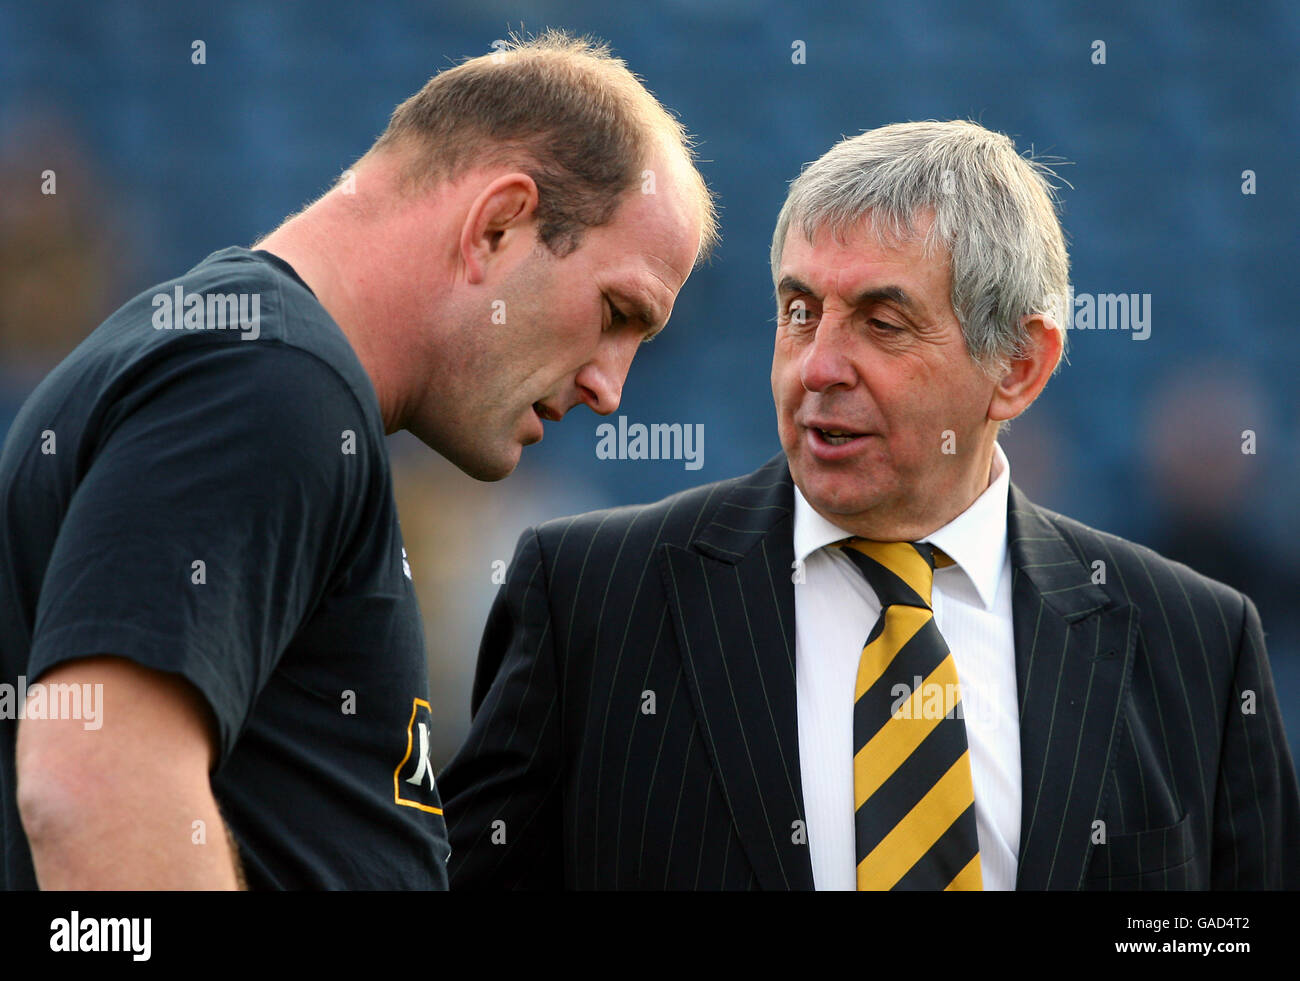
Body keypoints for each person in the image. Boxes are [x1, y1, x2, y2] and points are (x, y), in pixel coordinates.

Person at [439, 119, 1300, 890]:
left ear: (1020, 367)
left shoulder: (1199, 646)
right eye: (800, 311)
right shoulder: (591, 598)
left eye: (883, 323)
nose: (818, 365)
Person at [0, 30, 714, 890]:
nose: (611, 387)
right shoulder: (267, 379)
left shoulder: (262, 367)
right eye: (616, 311)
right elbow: (92, 784)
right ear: (497, 226)